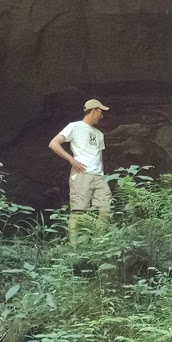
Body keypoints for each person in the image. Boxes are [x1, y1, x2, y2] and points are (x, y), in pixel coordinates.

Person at [48, 99, 111, 243]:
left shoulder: (99, 134)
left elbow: (99, 156)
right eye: (100, 112)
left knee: (106, 209)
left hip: (99, 177)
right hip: (82, 174)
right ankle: (74, 247)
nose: (102, 116)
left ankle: (98, 243)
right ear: (94, 111)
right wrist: (72, 160)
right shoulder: (74, 126)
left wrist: (102, 173)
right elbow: (53, 143)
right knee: (78, 211)